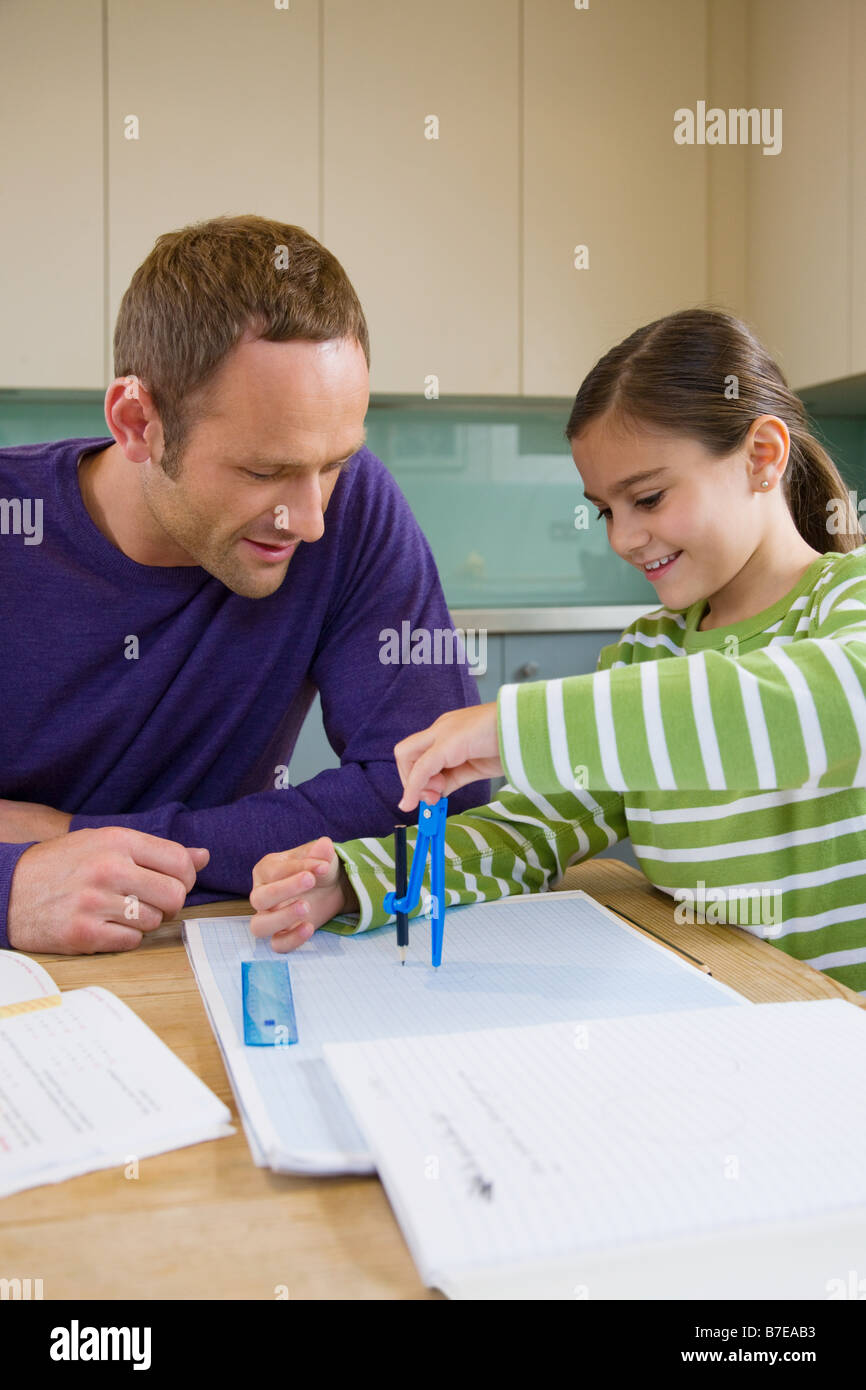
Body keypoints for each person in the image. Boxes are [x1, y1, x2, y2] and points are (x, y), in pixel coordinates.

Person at [248, 307, 866, 997]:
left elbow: (823, 706)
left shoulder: (848, 602)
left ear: (762, 456)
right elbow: (528, 833)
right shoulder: (648, 657)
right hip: (716, 1024)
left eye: (649, 497)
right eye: (606, 509)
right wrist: (361, 878)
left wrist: (519, 727)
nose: (623, 539)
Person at [0, 215, 487, 955]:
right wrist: (11, 890)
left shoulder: (350, 510)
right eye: (264, 472)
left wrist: (78, 838)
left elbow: (447, 789)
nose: (313, 519)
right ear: (138, 423)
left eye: (334, 462)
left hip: (203, 955)